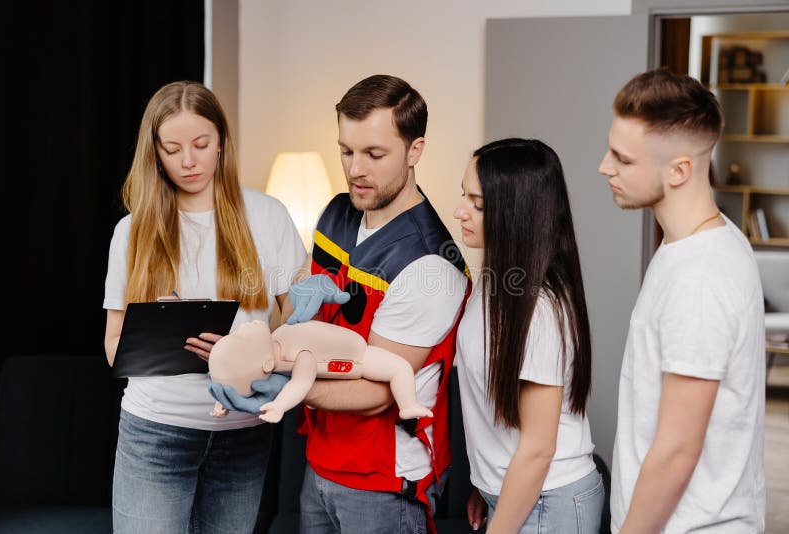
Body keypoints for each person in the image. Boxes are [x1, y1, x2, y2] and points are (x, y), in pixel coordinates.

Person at [213, 74, 470, 533]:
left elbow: (376, 394)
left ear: (415, 151)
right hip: (322, 462)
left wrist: (284, 389)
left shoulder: (428, 263)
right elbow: (303, 322)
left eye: (374, 154)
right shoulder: (336, 213)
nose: (355, 169)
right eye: (346, 151)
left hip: (385, 481)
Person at [103, 80, 306, 534]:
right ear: (154, 151)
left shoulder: (267, 216)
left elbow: (302, 320)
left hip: (244, 432)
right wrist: (158, 335)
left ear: (222, 144)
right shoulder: (131, 232)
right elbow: (114, 347)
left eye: (201, 144)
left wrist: (253, 351)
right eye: (172, 149)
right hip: (155, 432)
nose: (188, 161)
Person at [599, 69, 765, 533]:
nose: (604, 167)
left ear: (679, 170)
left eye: (623, 159)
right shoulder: (697, 243)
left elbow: (678, 450)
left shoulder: (700, 277)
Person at [453, 138, 603, 533]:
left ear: (515, 213)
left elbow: (538, 449)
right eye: (463, 196)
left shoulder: (539, 309)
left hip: (549, 501)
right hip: (519, 493)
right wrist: (486, 484)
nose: (459, 212)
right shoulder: (498, 281)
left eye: (477, 203)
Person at [207, 319, 433, 421]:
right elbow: (300, 383)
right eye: (242, 340)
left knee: (400, 367)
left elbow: (238, 378)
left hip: (353, 342)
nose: (243, 328)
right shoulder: (299, 356)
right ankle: (409, 406)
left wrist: (223, 401)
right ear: (265, 364)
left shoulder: (277, 339)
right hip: (358, 356)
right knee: (400, 368)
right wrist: (279, 406)